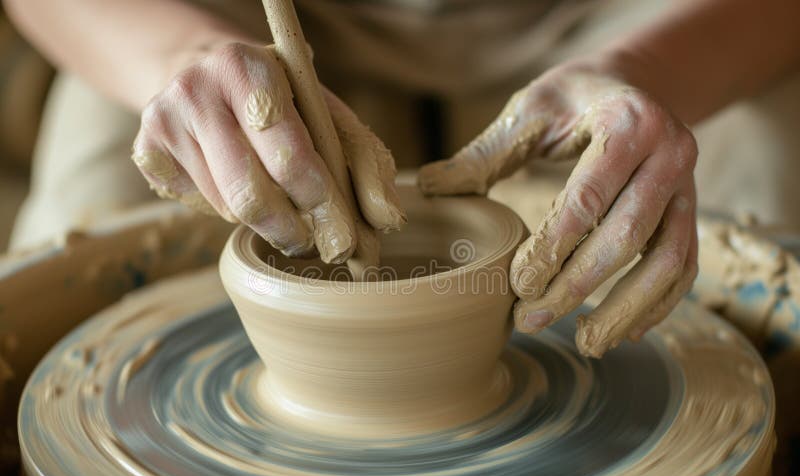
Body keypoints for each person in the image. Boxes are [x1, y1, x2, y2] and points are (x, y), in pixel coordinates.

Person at [4, 0, 800, 356]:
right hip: (233, 20)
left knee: (746, 241)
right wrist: (178, 60)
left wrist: (646, 71)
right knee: (84, 244)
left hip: (632, 17)